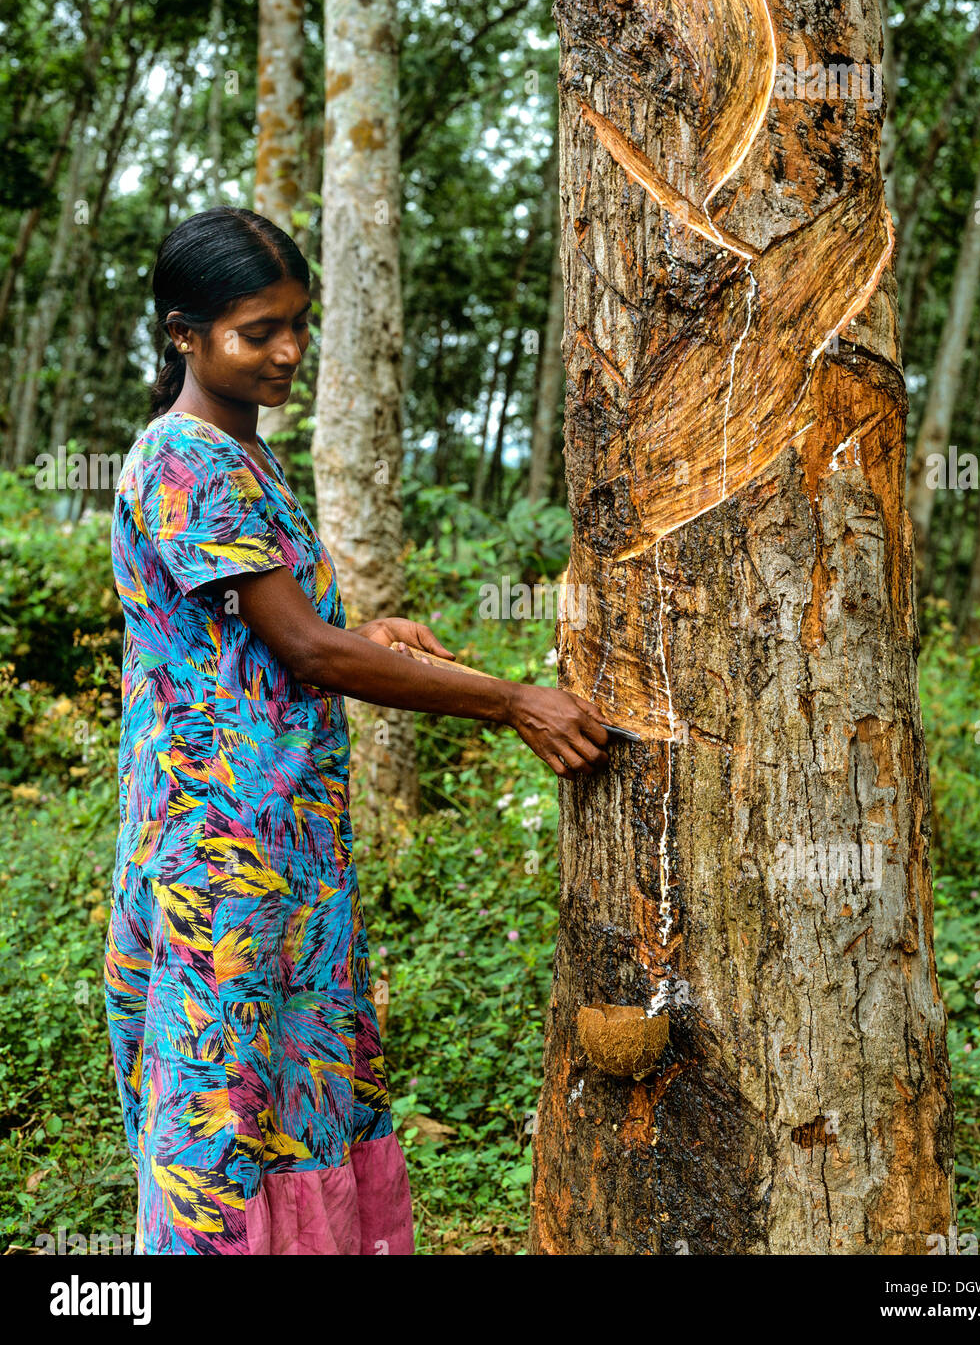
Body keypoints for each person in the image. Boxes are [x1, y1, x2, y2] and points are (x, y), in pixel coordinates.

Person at [104, 205, 611, 1255]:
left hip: (285, 851)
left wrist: (356, 627)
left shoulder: (250, 460)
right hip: (219, 856)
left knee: (295, 1099)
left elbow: (259, 631)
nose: (289, 350)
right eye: (258, 331)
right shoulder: (186, 461)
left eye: (299, 323)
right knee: (223, 1118)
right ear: (182, 334)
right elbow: (306, 653)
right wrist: (510, 698)